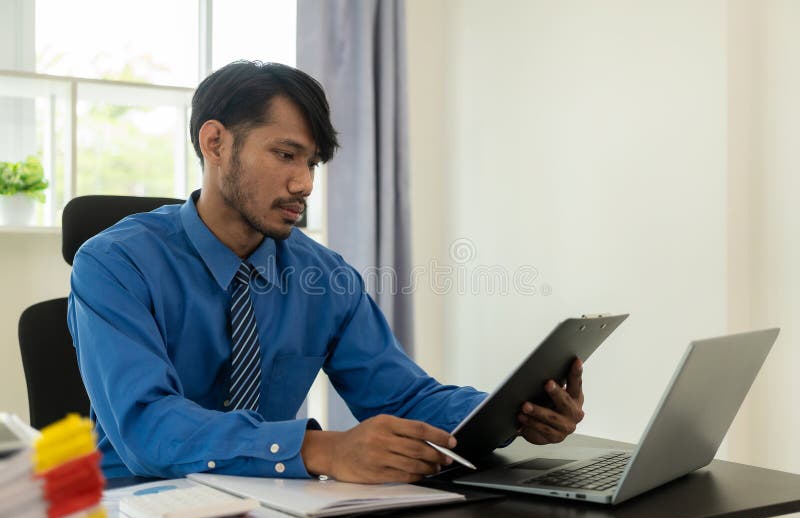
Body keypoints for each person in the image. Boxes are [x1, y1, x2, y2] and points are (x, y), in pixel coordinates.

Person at [68, 61, 585, 482]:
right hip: (135, 504)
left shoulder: (326, 277)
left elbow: (403, 396)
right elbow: (145, 426)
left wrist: (513, 410)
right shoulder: (113, 265)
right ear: (215, 143)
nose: (304, 185)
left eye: (312, 163)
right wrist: (322, 449)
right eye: (286, 154)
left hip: (269, 504)